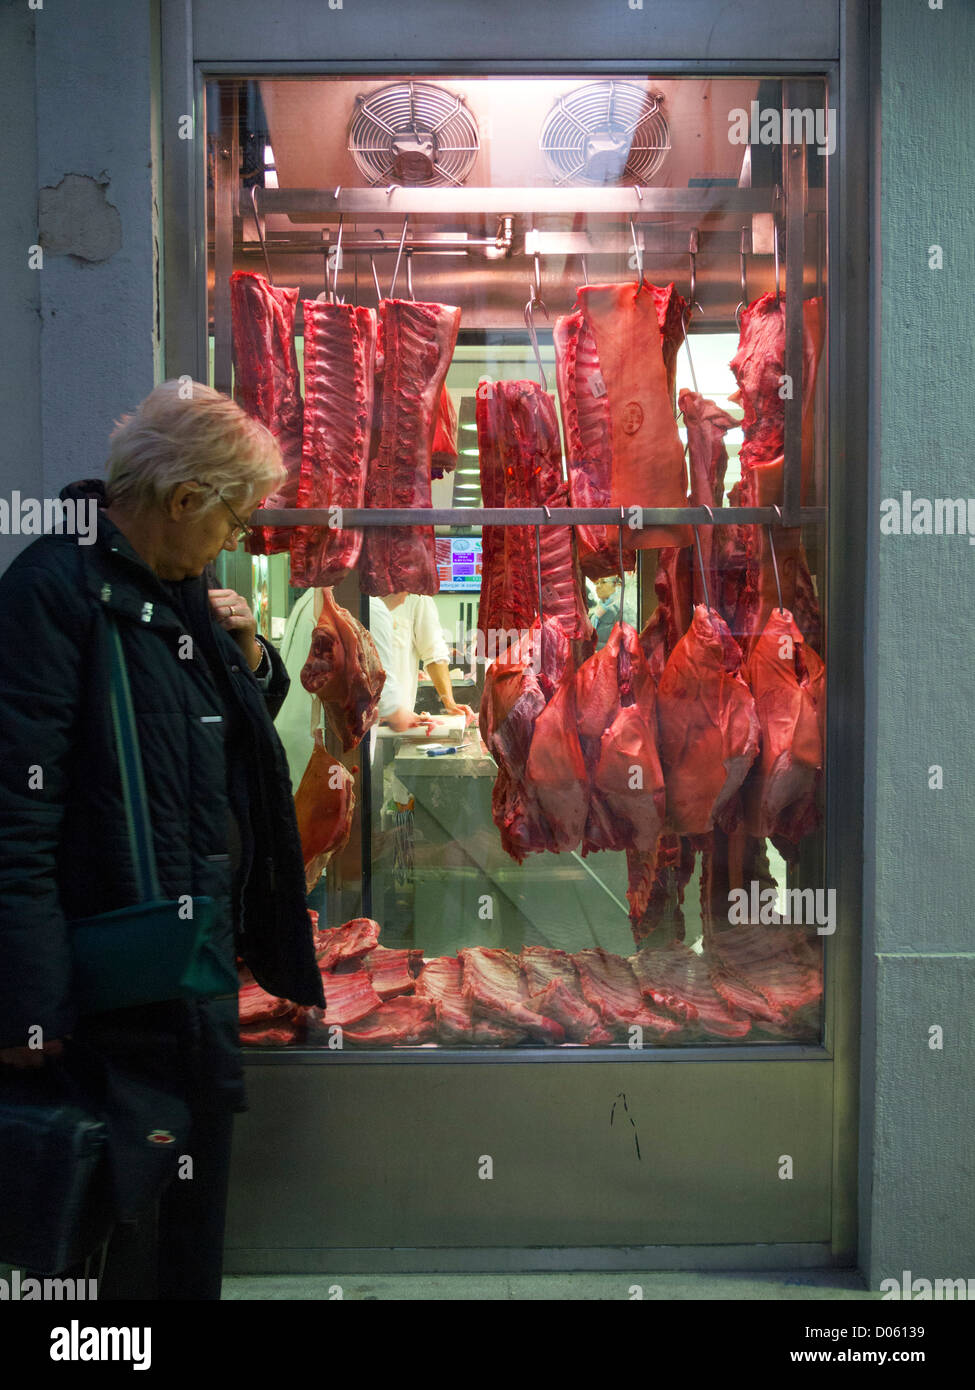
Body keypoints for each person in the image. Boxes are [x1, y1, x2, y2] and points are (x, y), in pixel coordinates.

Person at [0, 380, 323, 1300]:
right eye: (237, 516)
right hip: (108, 979)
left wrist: (254, 654)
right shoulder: (53, 593)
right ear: (185, 499)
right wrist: (26, 997)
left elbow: (222, 728)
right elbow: (14, 812)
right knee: (114, 1231)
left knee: (189, 1213)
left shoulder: (179, 585)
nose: (239, 538)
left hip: (188, 964)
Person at [589, 575, 622, 648]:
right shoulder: (599, 609)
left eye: (603, 582)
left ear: (616, 585)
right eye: (597, 583)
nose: (598, 586)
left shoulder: (621, 608)